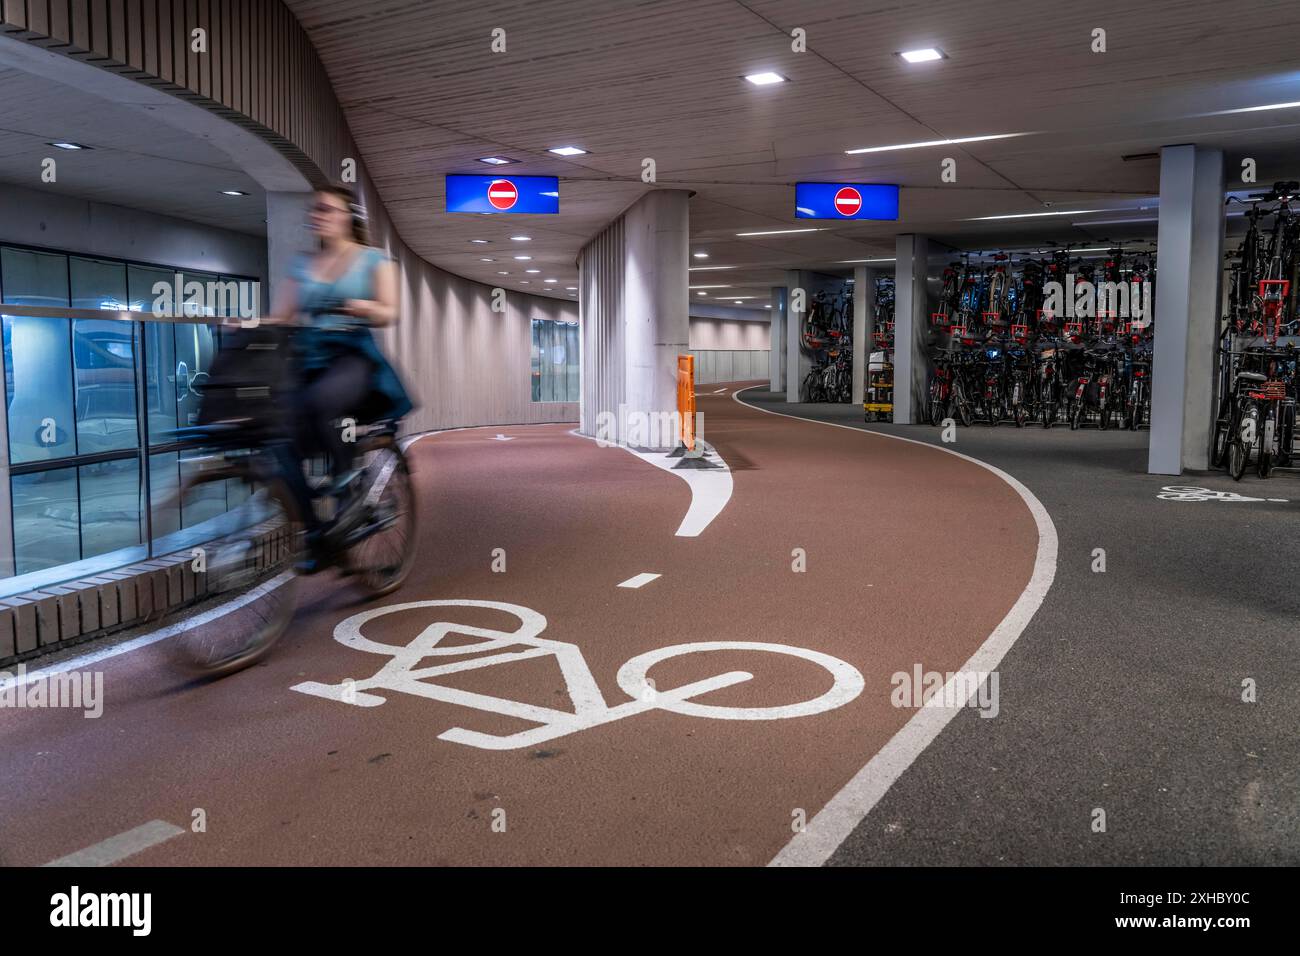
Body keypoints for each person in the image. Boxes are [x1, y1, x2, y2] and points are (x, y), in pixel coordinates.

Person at [267, 184, 414, 563]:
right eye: (315, 210)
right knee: (276, 437)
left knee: (322, 403)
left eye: (328, 210)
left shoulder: (373, 261)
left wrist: (361, 306)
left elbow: (389, 311)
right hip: (309, 358)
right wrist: (245, 323)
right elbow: (282, 317)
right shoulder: (302, 265)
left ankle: (348, 495)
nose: (319, 216)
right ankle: (315, 533)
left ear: (347, 216)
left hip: (351, 357)